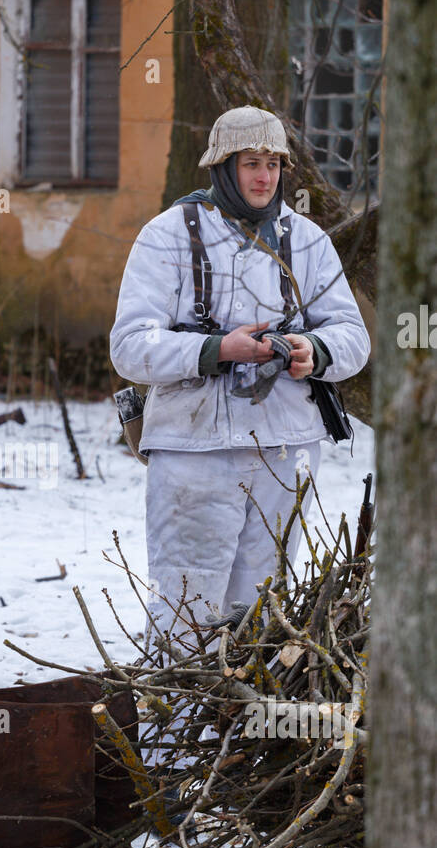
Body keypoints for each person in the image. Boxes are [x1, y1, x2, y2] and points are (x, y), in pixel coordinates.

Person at [110, 106, 370, 653]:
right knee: (187, 607)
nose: (264, 177)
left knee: (262, 609)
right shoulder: (166, 236)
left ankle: (240, 734)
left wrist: (312, 351)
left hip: (287, 448)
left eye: (274, 164)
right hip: (193, 449)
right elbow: (130, 347)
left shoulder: (307, 239)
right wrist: (215, 349)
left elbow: (354, 337)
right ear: (223, 166)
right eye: (251, 163)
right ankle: (175, 733)